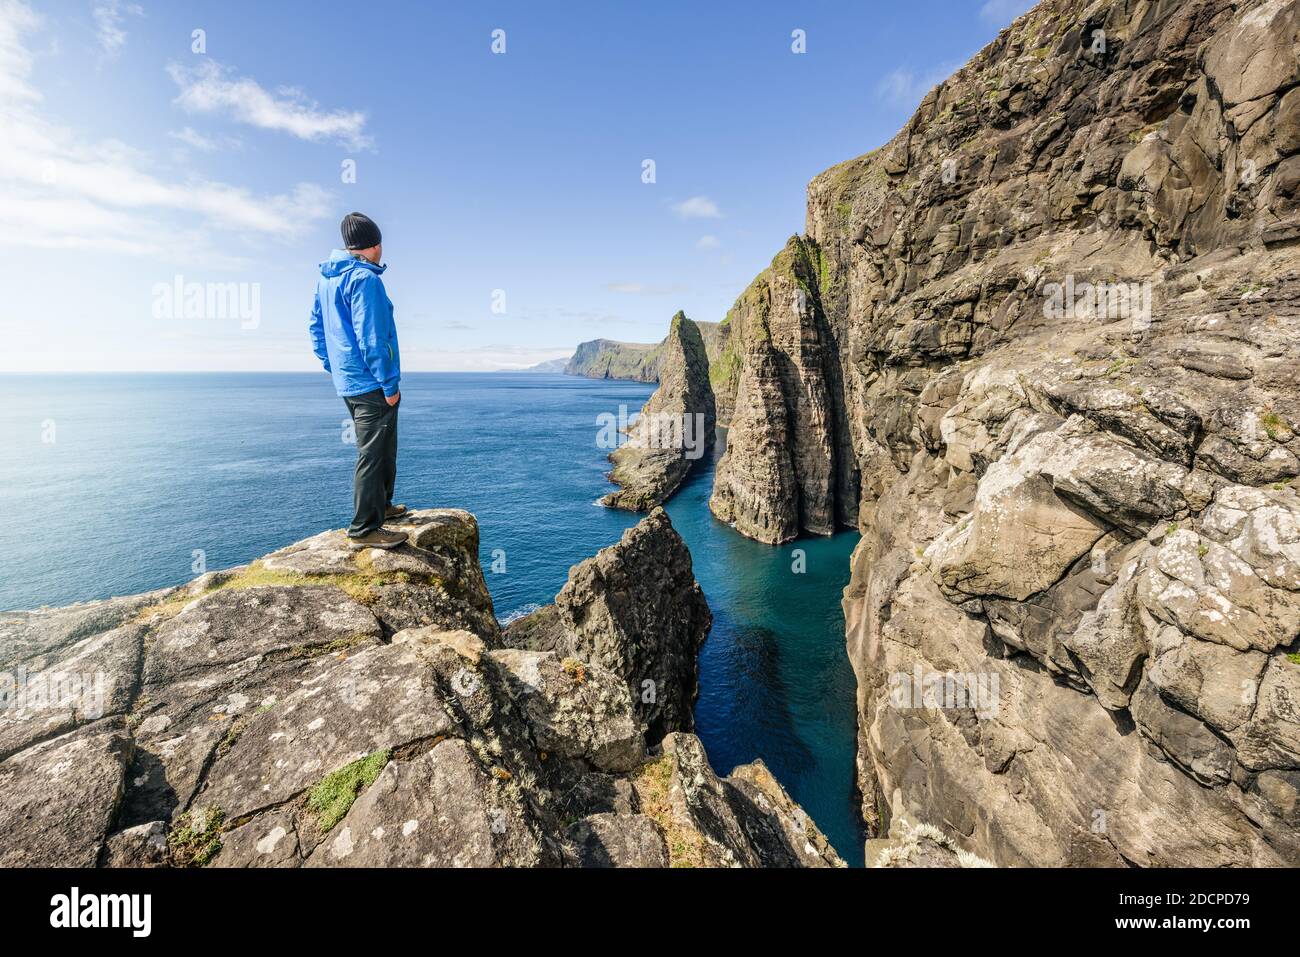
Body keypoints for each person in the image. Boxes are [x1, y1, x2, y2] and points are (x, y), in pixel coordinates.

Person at [309, 212, 408, 549]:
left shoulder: (326, 280)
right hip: (370, 381)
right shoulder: (365, 280)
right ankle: (364, 530)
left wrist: (333, 366)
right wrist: (389, 384)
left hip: (350, 380)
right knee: (373, 452)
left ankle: (381, 507)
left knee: (382, 447)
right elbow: (373, 338)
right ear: (374, 246)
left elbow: (316, 329)